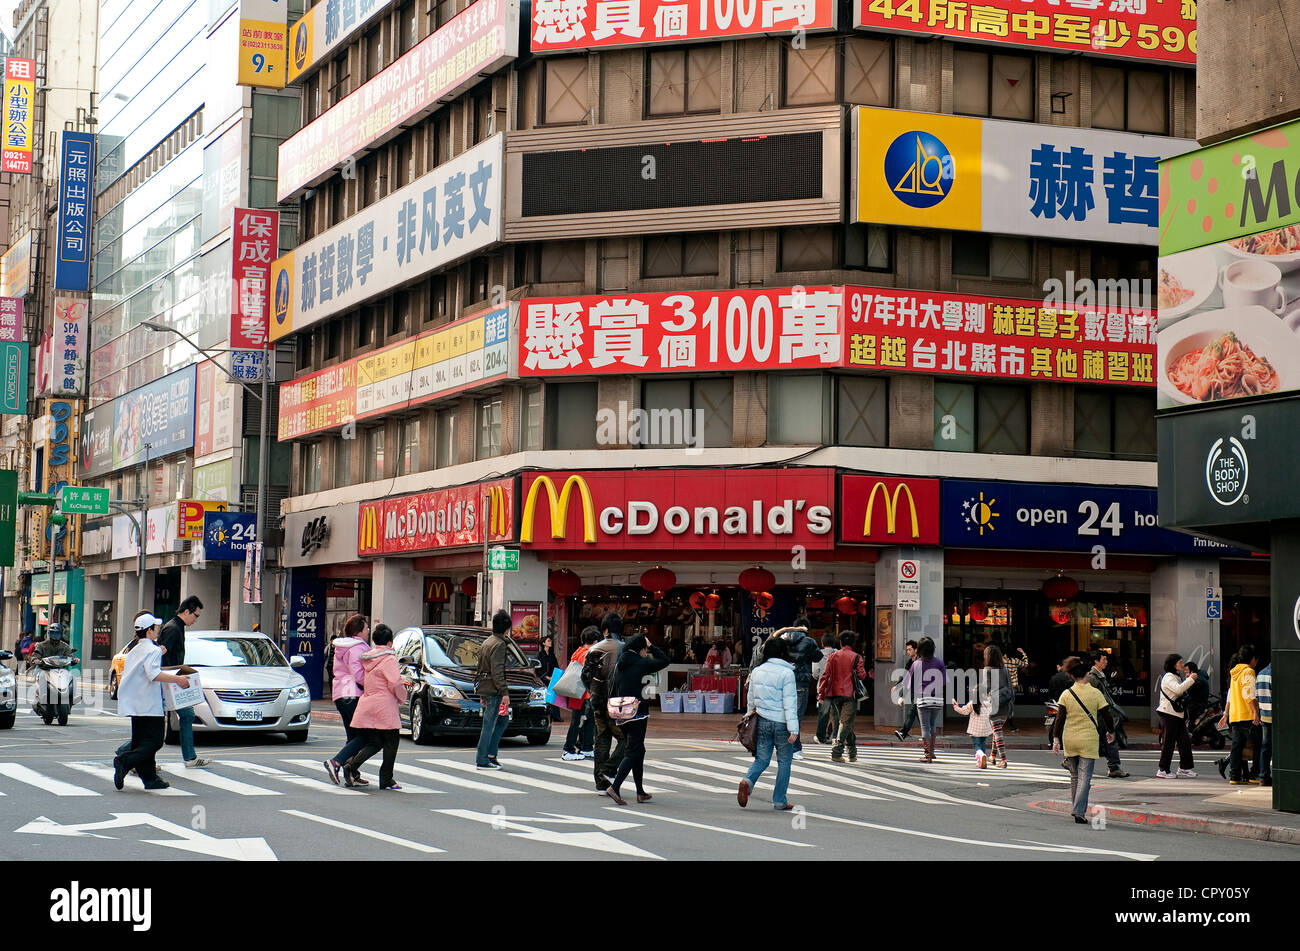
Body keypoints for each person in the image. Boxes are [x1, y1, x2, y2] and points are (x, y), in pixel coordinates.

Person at [112, 613, 192, 791]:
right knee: (155, 742)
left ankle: (149, 778)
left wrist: (158, 651)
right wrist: (178, 680)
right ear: (149, 630)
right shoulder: (152, 650)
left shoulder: (136, 649)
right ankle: (124, 760)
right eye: (156, 627)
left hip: (136, 704)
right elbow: (153, 674)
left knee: (140, 742)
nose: (158, 629)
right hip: (149, 704)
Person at [603, 634, 670, 806]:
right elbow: (664, 660)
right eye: (644, 649)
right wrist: (652, 646)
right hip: (637, 712)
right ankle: (615, 787)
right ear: (641, 649)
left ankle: (640, 791)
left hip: (620, 712)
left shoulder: (620, 664)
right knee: (633, 751)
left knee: (638, 750)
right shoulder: (641, 663)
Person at [338, 625, 406, 790]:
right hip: (385, 705)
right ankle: (386, 778)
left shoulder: (368, 658)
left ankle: (351, 766)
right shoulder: (389, 659)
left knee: (375, 741)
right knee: (391, 741)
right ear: (390, 642)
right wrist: (402, 696)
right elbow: (395, 682)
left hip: (368, 702)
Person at [1051, 657, 1118, 824]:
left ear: (1073, 676)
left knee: (1074, 776)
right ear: (1087, 674)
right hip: (1088, 740)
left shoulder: (1066, 694)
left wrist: (1056, 739)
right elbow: (1107, 716)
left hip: (1070, 738)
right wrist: (1111, 732)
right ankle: (1079, 811)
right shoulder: (1095, 693)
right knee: (1085, 777)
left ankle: (1076, 807)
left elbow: (1059, 720)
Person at [737, 637, 800, 812]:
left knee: (762, 759)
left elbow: (751, 698)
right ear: (783, 653)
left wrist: (749, 717)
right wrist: (793, 729)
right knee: (784, 761)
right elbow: (790, 703)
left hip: (762, 720)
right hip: (781, 723)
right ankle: (779, 800)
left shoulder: (757, 671)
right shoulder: (787, 674)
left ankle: (747, 782)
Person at [156, 597, 210, 769]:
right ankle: (129, 754)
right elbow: (161, 657)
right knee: (156, 722)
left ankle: (190, 757)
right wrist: (174, 678)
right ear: (186, 611)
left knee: (185, 716)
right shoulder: (173, 629)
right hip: (169, 681)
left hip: (172, 679)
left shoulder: (177, 627)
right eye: (196, 615)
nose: (196, 619)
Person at [323, 615, 371, 786]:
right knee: (364, 736)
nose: (368, 632)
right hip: (352, 694)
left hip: (341, 694)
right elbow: (358, 674)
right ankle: (336, 762)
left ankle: (351, 772)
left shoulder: (344, 646)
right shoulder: (357, 648)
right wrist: (372, 685)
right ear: (359, 631)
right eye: (366, 629)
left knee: (352, 736)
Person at [582, 611, 625, 792]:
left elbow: (585, 676)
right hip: (618, 701)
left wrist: (592, 691)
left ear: (605, 629)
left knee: (601, 738)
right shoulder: (625, 648)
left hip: (597, 699)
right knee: (626, 739)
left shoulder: (593, 649)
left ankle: (601, 782)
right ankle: (610, 769)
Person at [474, 610, 514, 770]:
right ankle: (483, 759)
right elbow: (497, 670)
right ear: (506, 628)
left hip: (487, 687)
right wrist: (504, 692)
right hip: (495, 689)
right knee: (489, 723)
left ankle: (491, 755)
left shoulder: (488, 641)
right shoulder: (499, 644)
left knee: (501, 720)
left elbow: (479, 667)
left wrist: (481, 691)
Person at [818, 631, 866, 764]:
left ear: (840, 642)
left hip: (834, 694)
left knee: (846, 722)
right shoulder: (857, 657)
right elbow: (862, 676)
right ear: (853, 643)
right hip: (849, 694)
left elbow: (825, 676)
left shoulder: (833, 656)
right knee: (845, 723)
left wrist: (821, 694)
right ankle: (837, 752)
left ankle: (852, 753)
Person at [1219, 644, 1261, 785]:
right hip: (1247, 715)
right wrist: (1255, 712)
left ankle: (1234, 776)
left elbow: (1230, 696)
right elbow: (1249, 693)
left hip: (1235, 715)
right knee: (1258, 745)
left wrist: (1226, 714)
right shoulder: (1248, 671)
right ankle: (1254, 774)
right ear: (1253, 659)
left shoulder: (1234, 673)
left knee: (1237, 747)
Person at [781, 621, 821, 761]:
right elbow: (818, 657)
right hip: (800, 682)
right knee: (796, 716)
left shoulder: (782, 638)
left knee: (784, 714)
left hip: (784, 681)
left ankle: (785, 746)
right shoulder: (808, 641)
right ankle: (795, 749)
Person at [1154, 653, 1198, 779]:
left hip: (1176, 714)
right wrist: (1191, 679)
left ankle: (1184, 768)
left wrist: (1188, 679)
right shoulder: (1168, 677)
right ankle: (1163, 769)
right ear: (1173, 664)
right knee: (1168, 742)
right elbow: (1178, 690)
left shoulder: (1175, 676)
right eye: (1180, 662)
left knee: (1185, 742)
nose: (1183, 665)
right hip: (1169, 714)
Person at [1086, 650, 1128, 778]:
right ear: (1096, 661)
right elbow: (1093, 697)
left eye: (1106, 659)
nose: (1106, 662)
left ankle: (1113, 767)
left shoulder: (1100, 675)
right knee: (1108, 739)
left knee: (1106, 739)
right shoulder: (1093, 677)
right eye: (1103, 659)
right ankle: (1113, 767)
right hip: (1101, 714)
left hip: (1104, 712)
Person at [562, 627, 601, 761]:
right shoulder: (588, 654)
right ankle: (568, 749)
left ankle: (587, 747)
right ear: (595, 641)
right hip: (582, 694)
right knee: (577, 722)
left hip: (577, 693)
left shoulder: (578, 652)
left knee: (587, 721)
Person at [908, 636, 946, 764]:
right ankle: (932, 752)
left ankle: (927, 755)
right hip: (938, 699)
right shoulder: (940, 663)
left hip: (923, 699)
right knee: (932, 724)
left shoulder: (916, 664)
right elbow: (944, 682)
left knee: (925, 727)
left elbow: (909, 683)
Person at [982, 645, 1013, 769]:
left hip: (994, 705)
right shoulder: (1005, 670)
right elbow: (1011, 689)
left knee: (998, 732)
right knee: (997, 731)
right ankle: (993, 756)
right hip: (1006, 705)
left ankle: (1003, 760)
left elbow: (986, 689)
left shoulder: (987, 670)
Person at [952, 693, 993, 768]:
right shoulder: (988, 704)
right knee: (982, 744)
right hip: (985, 729)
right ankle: (981, 762)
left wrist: (956, 707)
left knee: (977, 745)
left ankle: (982, 756)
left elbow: (964, 711)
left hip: (975, 729)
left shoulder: (971, 704)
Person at [812, 633, 839, 744]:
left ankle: (821, 737)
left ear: (822, 643)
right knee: (837, 713)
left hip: (823, 688)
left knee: (823, 713)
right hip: (838, 688)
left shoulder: (817, 655)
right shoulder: (839, 654)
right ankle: (836, 737)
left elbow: (814, 674)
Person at [893, 640, 920, 743]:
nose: (908, 652)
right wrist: (897, 685)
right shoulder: (910, 662)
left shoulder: (920, 661)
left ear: (916, 650)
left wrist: (902, 696)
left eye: (910, 649)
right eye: (907, 650)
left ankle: (903, 732)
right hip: (913, 691)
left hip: (920, 692)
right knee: (917, 713)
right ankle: (928, 733)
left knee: (912, 713)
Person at [1003, 646, 1029, 733]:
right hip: (1011, 687)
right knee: (1010, 707)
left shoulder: (1001, 660)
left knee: (998, 705)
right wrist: (1023, 653)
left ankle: (995, 724)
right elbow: (1025, 664)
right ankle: (1011, 725)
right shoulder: (1015, 660)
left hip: (1001, 686)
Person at [538, 634, 562, 722]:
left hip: (552, 678)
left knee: (554, 697)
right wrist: (546, 677)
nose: (550, 642)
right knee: (545, 698)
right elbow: (538, 669)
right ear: (543, 643)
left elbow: (556, 667)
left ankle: (556, 716)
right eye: (548, 641)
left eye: (550, 641)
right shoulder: (540, 655)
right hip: (543, 679)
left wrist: (555, 676)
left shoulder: (552, 655)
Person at [1256, 660, 1273, 787]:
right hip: (1275, 716)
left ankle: (1263, 775)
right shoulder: (1275, 675)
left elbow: (1257, 697)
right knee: (1277, 747)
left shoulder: (1260, 674)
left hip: (1264, 715)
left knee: (1265, 747)